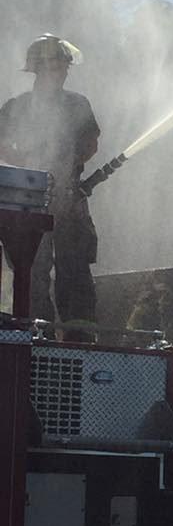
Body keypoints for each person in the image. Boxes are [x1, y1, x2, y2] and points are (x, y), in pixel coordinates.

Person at [0, 33, 100, 338]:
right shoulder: (17, 107)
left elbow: (91, 143)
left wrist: (66, 169)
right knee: (31, 270)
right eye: (60, 65)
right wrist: (30, 168)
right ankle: (35, 336)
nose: (65, 71)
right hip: (30, 202)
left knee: (75, 269)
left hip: (69, 200)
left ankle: (80, 340)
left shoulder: (76, 103)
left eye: (66, 65)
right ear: (41, 67)